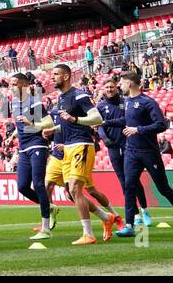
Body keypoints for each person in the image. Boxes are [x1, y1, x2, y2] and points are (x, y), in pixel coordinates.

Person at [35, 64, 122, 245]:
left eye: (56, 74)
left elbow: (97, 118)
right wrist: (53, 130)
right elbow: (68, 124)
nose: (53, 78)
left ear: (66, 76)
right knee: (71, 193)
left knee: (76, 188)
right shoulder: (61, 99)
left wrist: (75, 119)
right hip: (67, 147)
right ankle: (106, 218)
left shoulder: (79, 95)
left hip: (81, 145)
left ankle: (88, 234)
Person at [112, 72, 173, 238]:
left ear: (130, 83)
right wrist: (105, 122)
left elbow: (161, 125)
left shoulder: (147, 102)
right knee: (129, 187)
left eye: (122, 83)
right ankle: (129, 225)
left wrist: (138, 130)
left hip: (149, 152)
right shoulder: (126, 102)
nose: (120, 86)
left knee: (163, 188)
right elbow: (126, 122)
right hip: (131, 151)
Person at [97, 79, 151, 226]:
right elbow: (99, 125)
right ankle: (135, 214)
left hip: (128, 145)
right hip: (113, 147)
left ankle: (145, 210)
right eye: (107, 87)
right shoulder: (100, 106)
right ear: (103, 89)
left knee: (133, 180)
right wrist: (105, 138)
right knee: (124, 182)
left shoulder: (125, 102)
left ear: (116, 88)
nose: (109, 89)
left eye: (112, 87)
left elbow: (128, 120)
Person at [8, 72, 55, 239]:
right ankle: (48, 206)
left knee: (38, 183)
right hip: (23, 148)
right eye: (10, 84)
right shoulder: (14, 104)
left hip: (37, 145)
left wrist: (31, 123)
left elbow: (49, 124)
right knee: (22, 186)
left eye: (14, 84)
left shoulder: (34, 103)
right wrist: (12, 135)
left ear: (24, 85)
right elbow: (20, 123)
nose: (11, 87)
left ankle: (45, 228)